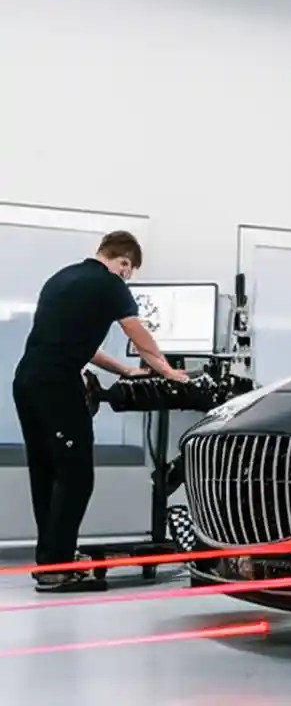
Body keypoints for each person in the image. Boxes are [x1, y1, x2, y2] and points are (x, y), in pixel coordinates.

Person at [11, 231, 188, 593]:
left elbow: (81, 346)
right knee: (76, 476)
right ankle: (56, 569)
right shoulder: (110, 283)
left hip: (27, 381)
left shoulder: (60, 279)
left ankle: (53, 559)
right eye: (128, 270)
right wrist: (169, 372)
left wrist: (125, 371)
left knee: (46, 473)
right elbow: (136, 331)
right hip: (57, 386)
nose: (126, 276)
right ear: (123, 262)